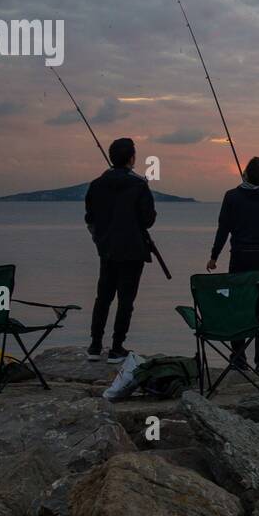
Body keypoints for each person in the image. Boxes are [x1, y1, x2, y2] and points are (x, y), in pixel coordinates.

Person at [207, 155, 259, 369]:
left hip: (239, 258)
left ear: (246, 174)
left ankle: (238, 358)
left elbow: (223, 228)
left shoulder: (231, 196)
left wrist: (214, 257)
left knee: (238, 307)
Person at [84, 137, 157, 362]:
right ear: (131, 158)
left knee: (103, 297)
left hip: (106, 250)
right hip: (132, 251)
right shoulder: (139, 184)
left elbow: (90, 217)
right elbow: (147, 220)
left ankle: (95, 346)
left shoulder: (96, 185)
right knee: (126, 300)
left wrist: (99, 239)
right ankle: (117, 347)